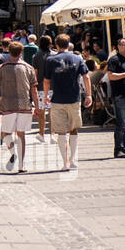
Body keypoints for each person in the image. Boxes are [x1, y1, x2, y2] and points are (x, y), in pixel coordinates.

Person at [43, 34, 92, 171]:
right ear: (69, 44)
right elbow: (86, 76)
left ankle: (65, 163)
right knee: (74, 129)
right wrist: (89, 95)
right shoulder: (77, 58)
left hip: (57, 99)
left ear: (56, 45)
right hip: (74, 98)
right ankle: (73, 159)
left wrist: (46, 96)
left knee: (61, 132)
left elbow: (46, 81)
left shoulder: (51, 60)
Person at [0, 40, 38, 173]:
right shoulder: (28, 68)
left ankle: (13, 151)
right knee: (21, 135)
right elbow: (34, 90)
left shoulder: (2, 68)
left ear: (9, 51)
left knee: (5, 133)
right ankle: (22, 165)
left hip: (7, 105)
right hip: (24, 104)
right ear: (21, 52)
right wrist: (36, 106)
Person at [104, 38, 125, 158]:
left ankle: (124, 147)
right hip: (120, 95)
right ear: (118, 47)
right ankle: (118, 149)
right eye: (124, 45)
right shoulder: (114, 60)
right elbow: (111, 76)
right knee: (121, 123)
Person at [31, 35, 52, 142]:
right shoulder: (54, 55)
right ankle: (53, 135)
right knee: (52, 111)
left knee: (41, 112)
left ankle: (42, 134)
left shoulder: (36, 56)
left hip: (40, 87)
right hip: (53, 87)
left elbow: (35, 73)